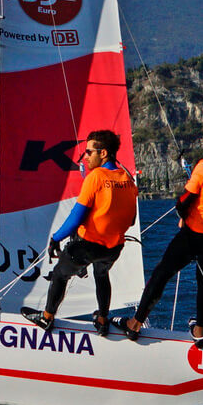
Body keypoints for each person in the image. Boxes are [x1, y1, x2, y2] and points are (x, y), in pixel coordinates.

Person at [119, 117, 203, 345]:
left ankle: (134, 324)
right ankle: (200, 330)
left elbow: (183, 202)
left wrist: (183, 217)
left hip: (194, 235)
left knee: (162, 273)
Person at [22, 129, 138, 335]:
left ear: (103, 153)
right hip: (113, 248)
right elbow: (131, 220)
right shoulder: (128, 180)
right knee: (102, 275)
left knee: (59, 275)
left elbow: (76, 217)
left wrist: (55, 239)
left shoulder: (95, 177)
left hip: (87, 247)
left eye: (88, 152)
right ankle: (102, 321)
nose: (84, 157)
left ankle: (47, 318)